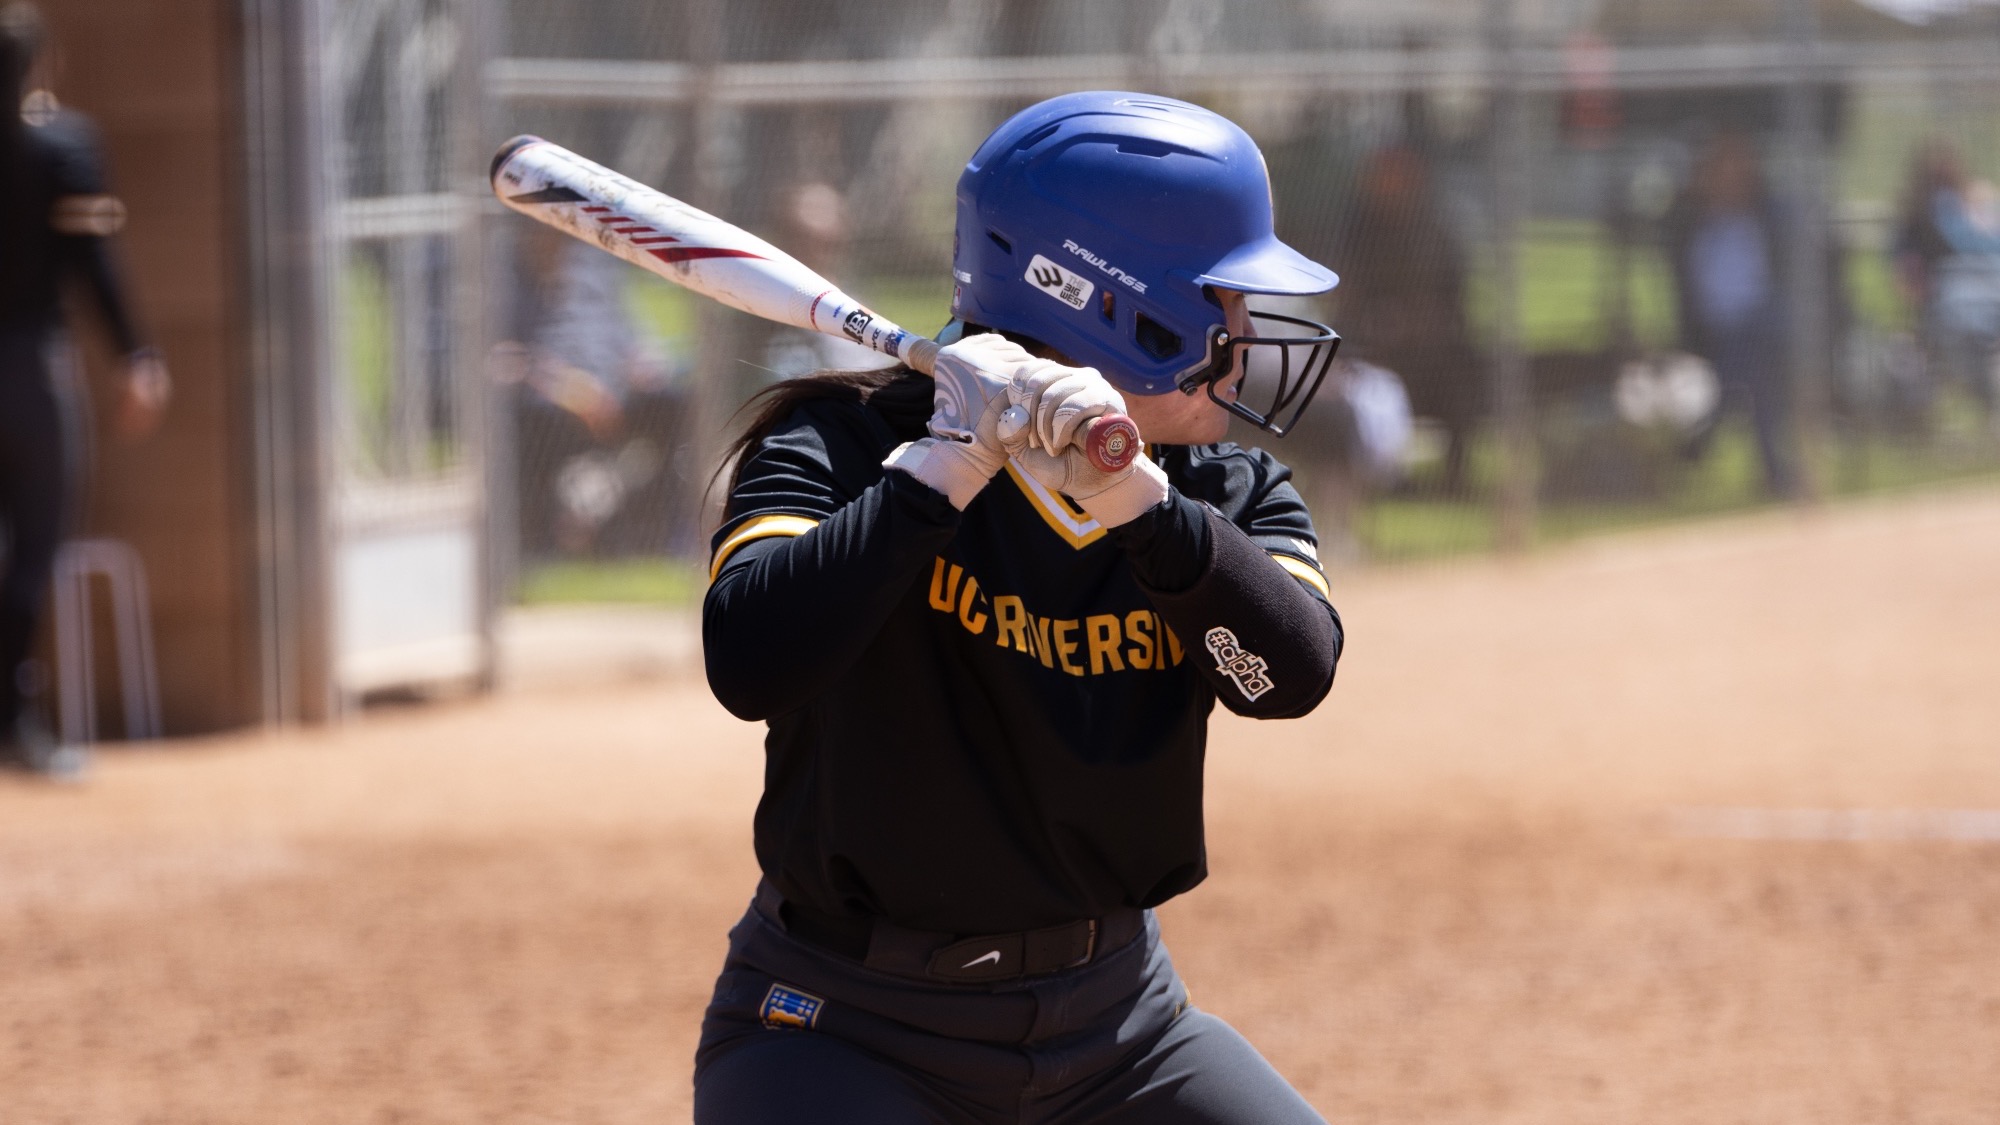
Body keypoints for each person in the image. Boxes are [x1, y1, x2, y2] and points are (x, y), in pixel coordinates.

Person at [694, 91, 1345, 1124]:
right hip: (845, 1028)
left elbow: (1286, 674)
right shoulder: (847, 448)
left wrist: (1137, 503)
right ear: (1115, 306)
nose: (1244, 330)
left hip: (1120, 1033)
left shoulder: (1218, 493)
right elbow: (752, 662)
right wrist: (939, 472)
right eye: (1220, 298)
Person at [0, 3, 168, 775]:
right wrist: (135, 354)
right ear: (38, 67)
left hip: (31, 364)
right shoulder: (63, 147)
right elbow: (94, 264)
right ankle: (15, 720)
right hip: (30, 371)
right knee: (33, 551)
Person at [1664, 129, 1800, 498]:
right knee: (1756, 366)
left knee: (1760, 347)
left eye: (1739, 171)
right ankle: (1776, 473)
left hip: (1764, 332)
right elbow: (1692, 303)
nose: (1731, 179)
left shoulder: (1766, 221)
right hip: (1718, 336)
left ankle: (1703, 436)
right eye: (1721, 171)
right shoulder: (1692, 228)